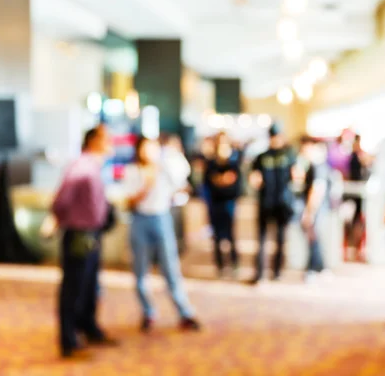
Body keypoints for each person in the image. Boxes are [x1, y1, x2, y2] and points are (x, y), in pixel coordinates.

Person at [52, 127, 118, 359]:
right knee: (74, 287)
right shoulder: (81, 167)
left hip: (92, 233)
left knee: (89, 285)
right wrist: (63, 220)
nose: (111, 142)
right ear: (93, 141)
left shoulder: (94, 167)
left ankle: (88, 328)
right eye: (106, 138)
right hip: (80, 233)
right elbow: (61, 201)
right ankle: (68, 340)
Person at [124, 136, 200, 333]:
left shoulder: (165, 169)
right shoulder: (132, 171)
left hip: (161, 218)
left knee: (170, 268)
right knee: (141, 270)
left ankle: (185, 312)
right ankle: (148, 311)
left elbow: (183, 185)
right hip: (140, 220)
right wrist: (147, 185)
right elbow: (129, 202)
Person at [249, 123, 296, 284]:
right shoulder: (262, 157)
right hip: (266, 203)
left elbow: (297, 177)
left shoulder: (289, 155)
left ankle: (276, 272)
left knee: (280, 239)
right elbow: (254, 178)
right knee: (262, 240)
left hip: (282, 203)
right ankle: (261, 273)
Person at [205, 132, 242, 278]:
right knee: (217, 236)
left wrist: (222, 182)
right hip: (215, 203)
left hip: (229, 202)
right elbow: (208, 184)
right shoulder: (211, 163)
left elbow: (237, 186)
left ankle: (233, 263)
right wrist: (222, 181)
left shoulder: (233, 162)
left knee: (230, 235)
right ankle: (220, 265)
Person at [300, 137, 330, 283]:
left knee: (313, 239)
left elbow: (317, 190)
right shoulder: (318, 165)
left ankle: (314, 269)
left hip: (316, 210)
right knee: (314, 239)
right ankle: (320, 268)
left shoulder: (317, 166)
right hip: (318, 209)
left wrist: (309, 211)